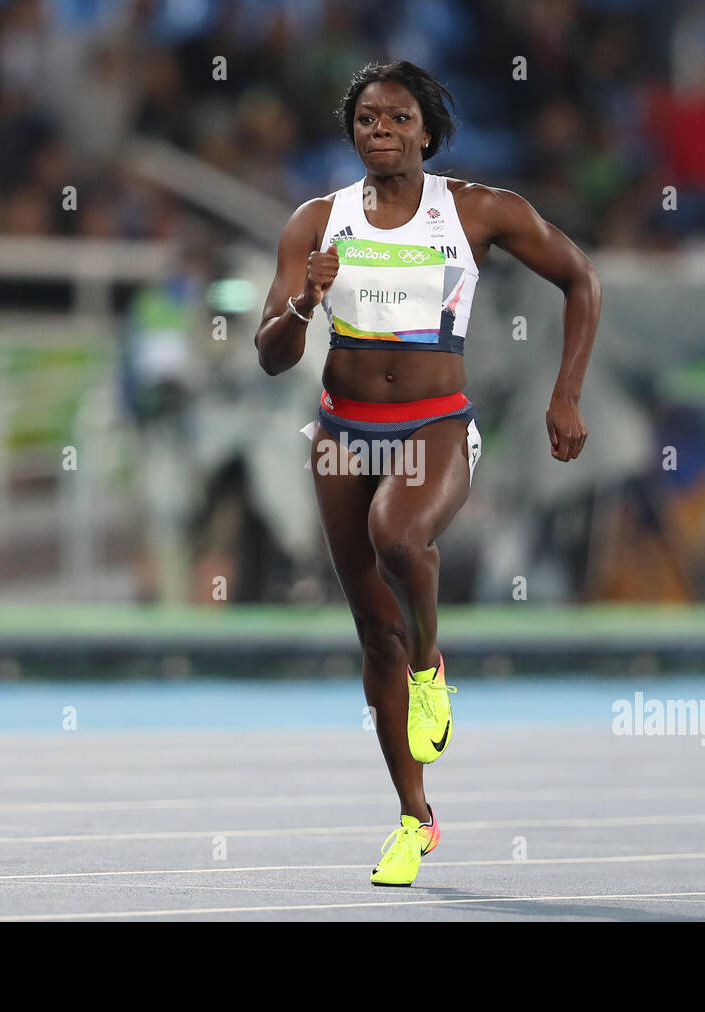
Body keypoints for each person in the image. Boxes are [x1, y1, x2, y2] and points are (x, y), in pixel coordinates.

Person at [253, 61, 601, 886]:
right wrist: (305, 300)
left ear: (427, 131)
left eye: (398, 119)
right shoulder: (317, 221)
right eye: (367, 120)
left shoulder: (476, 211)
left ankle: (433, 663)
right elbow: (271, 355)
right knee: (374, 631)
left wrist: (565, 396)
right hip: (342, 431)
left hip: (434, 423)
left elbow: (581, 280)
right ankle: (415, 820)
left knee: (398, 535)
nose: (381, 133)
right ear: (352, 134)